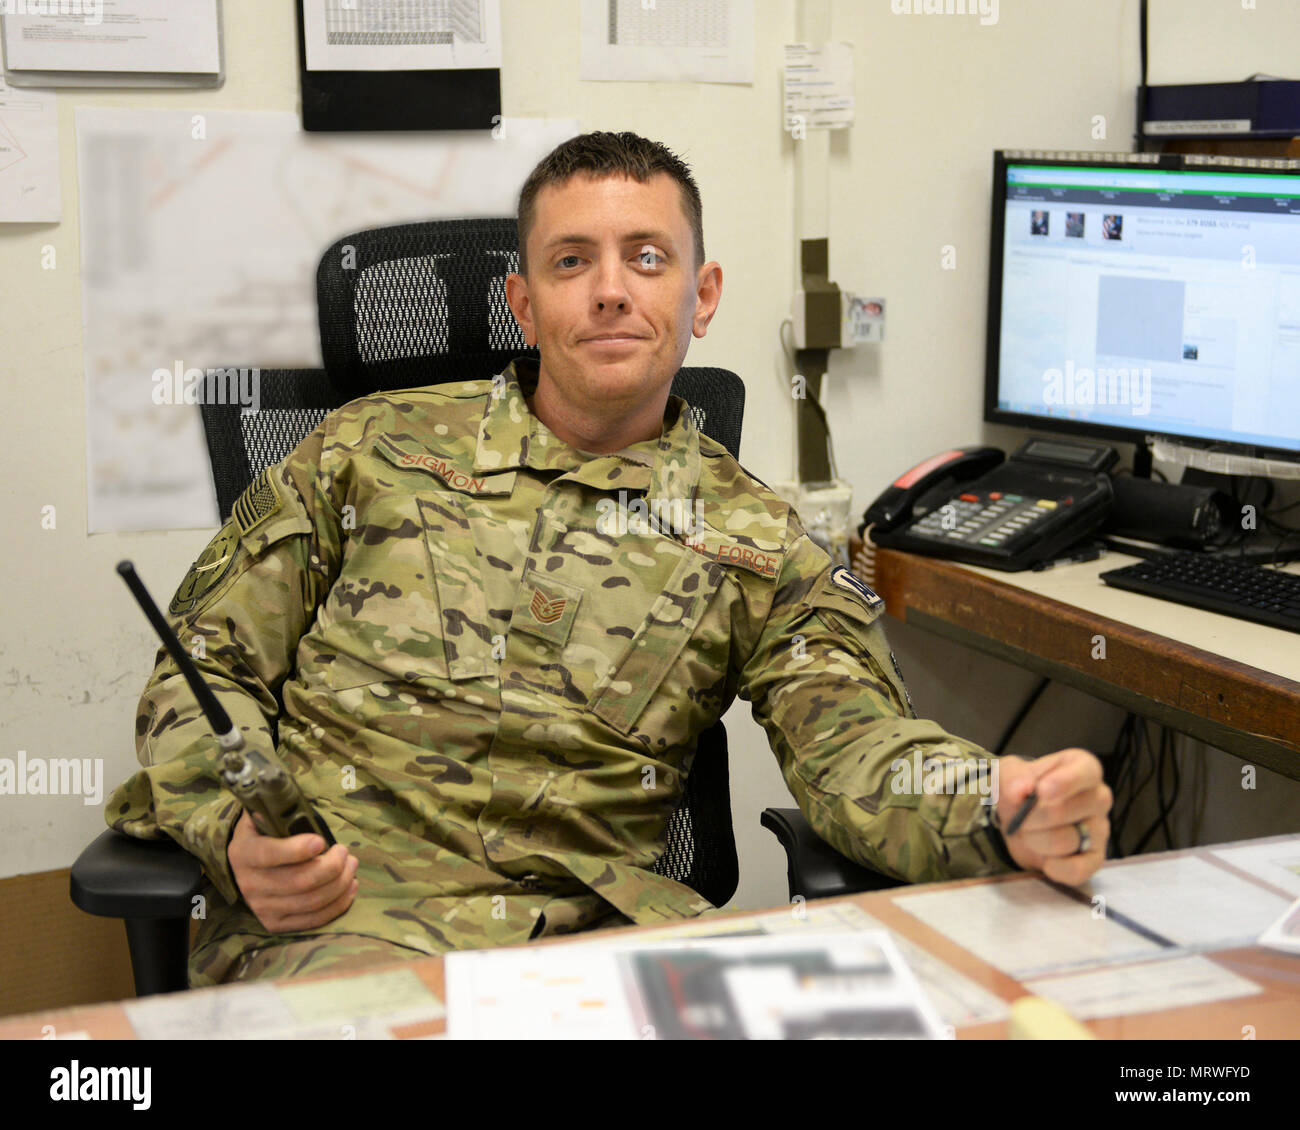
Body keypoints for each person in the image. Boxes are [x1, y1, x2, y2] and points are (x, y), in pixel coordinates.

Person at [106, 132, 1112, 986]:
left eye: (646, 256)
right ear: (523, 299)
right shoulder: (367, 448)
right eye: (571, 260)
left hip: (601, 948)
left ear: (702, 293)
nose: (610, 291)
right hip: (346, 933)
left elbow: (853, 750)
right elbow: (200, 676)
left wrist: (994, 799)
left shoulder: (758, 540)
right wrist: (233, 837)